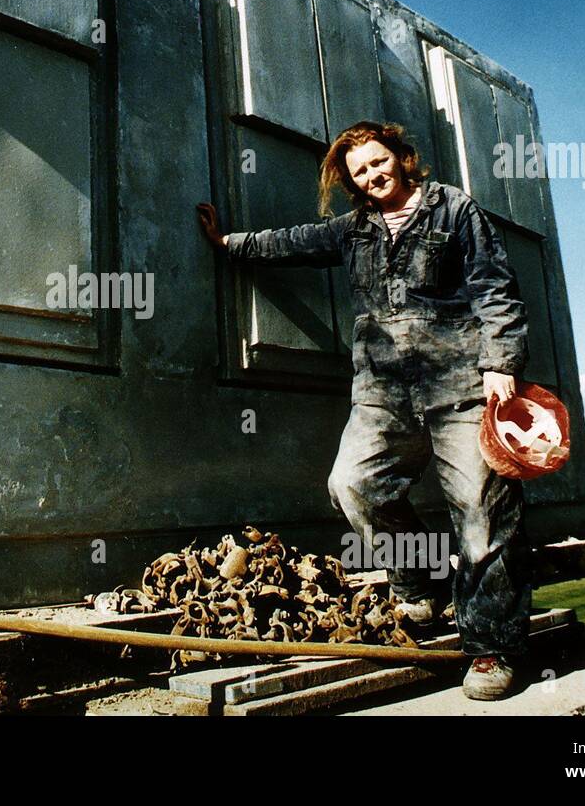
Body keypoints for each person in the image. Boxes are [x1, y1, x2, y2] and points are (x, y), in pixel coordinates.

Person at [195, 120, 533, 701]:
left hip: (461, 388)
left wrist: (502, 362)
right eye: (360, 172)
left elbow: (495, 287)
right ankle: (420, 580)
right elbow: (291, 242)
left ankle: (489, 649)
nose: (374, 175)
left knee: (481, 517)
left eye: (380, 162)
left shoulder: (453, 210)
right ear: (351, 183)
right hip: (383, 391)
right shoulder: (354, 230)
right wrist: (228, 245)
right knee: (354, 485)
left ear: (402, 158)